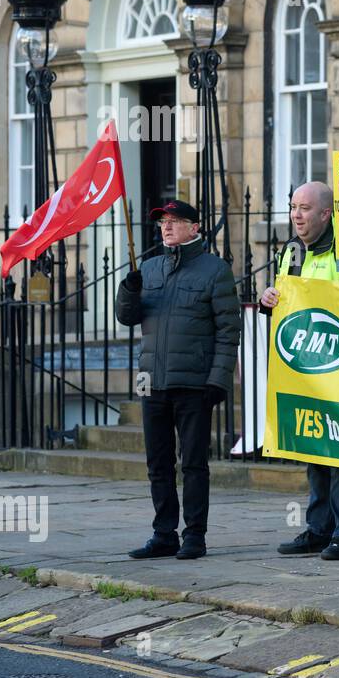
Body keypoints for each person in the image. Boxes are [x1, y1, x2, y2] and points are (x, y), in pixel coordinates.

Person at [116, 199, 241, 560]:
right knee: (158, 462)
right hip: (152, 380)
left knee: (194, 463)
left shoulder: (214, 271)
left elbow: (228, 329)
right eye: (163, 222)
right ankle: (163, 532)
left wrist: (218, 379)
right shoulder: (151, 268)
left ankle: (195, 535)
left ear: (194, 227)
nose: (166, 227)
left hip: (194, 383)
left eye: (175, 221)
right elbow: (127, 317)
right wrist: (129, 289)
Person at [265, 181, 339, 561]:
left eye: (305, 208)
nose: (296, 215)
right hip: (305, 368)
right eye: (293, 206)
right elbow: (286, 300)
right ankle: (318, 529)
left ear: (326, 213)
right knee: (314, 447)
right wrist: (270, 299)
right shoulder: (292, 252)